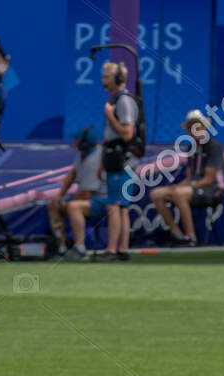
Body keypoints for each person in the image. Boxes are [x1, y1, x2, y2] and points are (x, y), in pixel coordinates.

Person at [149, 111, 224, 246]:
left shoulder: (213, 146)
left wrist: (183, 188)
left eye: (198, 127)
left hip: (213, 190)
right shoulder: (191, 148)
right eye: (191, 128)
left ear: (204, 128)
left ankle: (191, 237)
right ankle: (176, 233)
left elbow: (208, 179)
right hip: (193, 189)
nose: (194, 131)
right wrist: (178, 186)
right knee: (157, 194)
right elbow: (190, 177)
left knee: (179, 194)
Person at [96, 60, 139, 263]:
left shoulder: (123, 101)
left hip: (123, 160)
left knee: (113, 206)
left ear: (117, 79)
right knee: (121, 207)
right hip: (117, 159)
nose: (103, 80)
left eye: (106, 76)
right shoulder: (119, 100)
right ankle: (122, 249)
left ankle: (112, 250)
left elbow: (127, 133)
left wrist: (109, 116)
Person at [48, 126, 106, 259]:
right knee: (54, 204)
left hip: (103, 200)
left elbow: (86, 194)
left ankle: (80, 248)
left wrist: (64, 203)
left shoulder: (93, 161)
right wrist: (59, 197)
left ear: (85, 142)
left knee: (73, 207)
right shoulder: (84, 153)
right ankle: (61, 248)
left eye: (77, 140)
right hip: (90, 198)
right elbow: (72, 174)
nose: (74, 142)